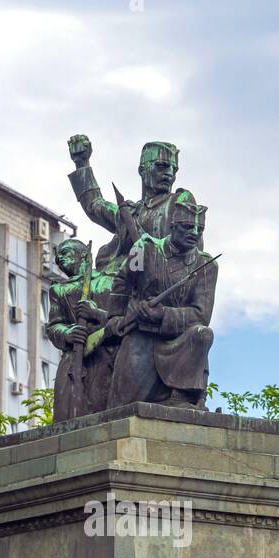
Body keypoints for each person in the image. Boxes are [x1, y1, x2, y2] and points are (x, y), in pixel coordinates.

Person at [106, 191, 216, 409]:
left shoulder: (207, 266)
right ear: (173, 225)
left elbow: (200, 314)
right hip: (141, 332)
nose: (194, 233)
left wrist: (163, 314)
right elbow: (123, 280)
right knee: (121, 407)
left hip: (179, 340)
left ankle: (181, 396)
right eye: (187, 227)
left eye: (199, 229)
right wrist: (116, 317)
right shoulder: (144, 248)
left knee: (202, 334)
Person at [67, 135, 184, 267]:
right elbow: (94, 205)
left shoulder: (179, 205)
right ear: (142, 170)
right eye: (161, 166)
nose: (169, 173)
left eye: (173, 169)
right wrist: (81, 163)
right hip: (124, 280)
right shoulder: (130, 212)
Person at [47, 238, 117, 420]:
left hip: (105, 353)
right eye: (57, 257)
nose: (59, 259)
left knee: (102, 408)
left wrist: (96, 313)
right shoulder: (58, 290)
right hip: (75, 356)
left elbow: (122, 318)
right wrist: (68, 333)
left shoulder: (109, 282)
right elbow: (54, 325)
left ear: (84, 255)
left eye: (65, 253)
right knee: (67, 412)